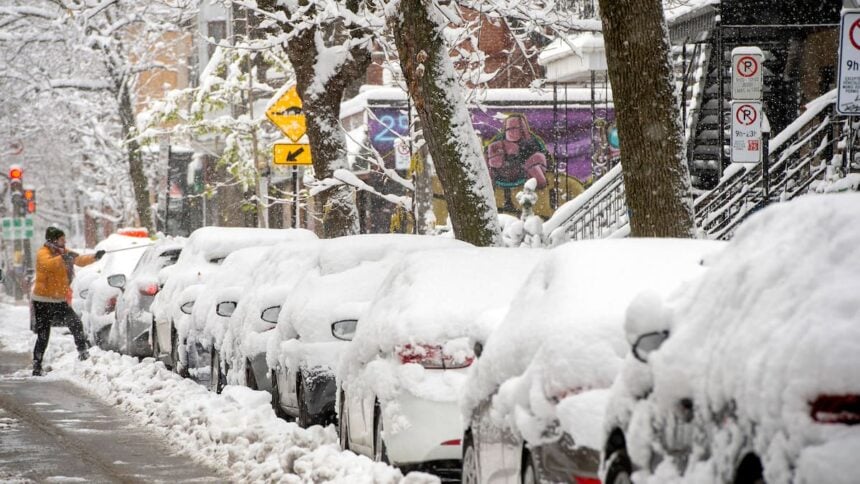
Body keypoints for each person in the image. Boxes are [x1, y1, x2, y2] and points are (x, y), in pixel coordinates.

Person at [31, 227, 104, 376]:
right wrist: (63, 257)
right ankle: (37, 366)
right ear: (53, 240)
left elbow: (79, 259)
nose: (64, 242)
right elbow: (47, 265)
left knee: (75, 323)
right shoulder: (43, 253)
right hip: (42, 300)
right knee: (44, 334)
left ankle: (83, 352)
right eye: (62, 239)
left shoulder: (62, 252)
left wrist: (95, 257)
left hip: (59, 299)